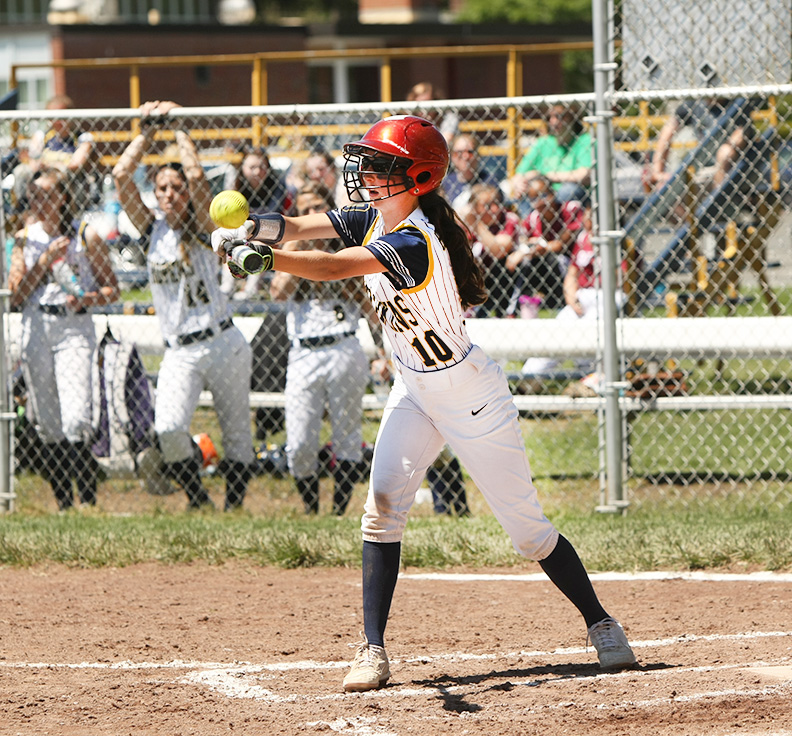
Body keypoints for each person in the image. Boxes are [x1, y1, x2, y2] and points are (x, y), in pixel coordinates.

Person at [211, 114, 637, 691]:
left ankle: (602, 623)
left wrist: (260, 260)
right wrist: (252, 231)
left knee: (528, 532)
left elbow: (335, 267)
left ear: (417, 178)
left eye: (381, 165)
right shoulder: (371, 215)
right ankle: (372, 649)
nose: (364, 172)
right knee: (382, 509)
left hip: (469, 395)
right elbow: (295, 225)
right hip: (413, 387)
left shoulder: (413, 239)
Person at [113, 100, 255, 512]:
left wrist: (177, 128)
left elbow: (195, 175)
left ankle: (235, 508)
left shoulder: (204, 227)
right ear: (154, 194)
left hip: (223, 340)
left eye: (175, 188)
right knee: (170, 427)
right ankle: (197, 497)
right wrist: (147, 132)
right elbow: (121, 176)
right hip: (180, 348)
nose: (171, 194)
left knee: (236, 432)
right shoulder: (151, 231)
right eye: (162, 189)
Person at [7, 166, 120, 510]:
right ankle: (64, 504)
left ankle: (87, 498)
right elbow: (14, 296)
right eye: (35, 195)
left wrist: (88, 298)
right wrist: (42, 263)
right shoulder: (24, 238)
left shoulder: (85, 234)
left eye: (49, 194)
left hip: (73, 326)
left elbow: (112, 288)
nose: (41, 201)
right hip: (37, 326)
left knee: (76, 418)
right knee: (49, 423)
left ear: (64, 197)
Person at [269, 182, 374, 515]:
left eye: (318, 209)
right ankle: (312, 510)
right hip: (303, 352)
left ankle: (338, 512)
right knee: (300, 442)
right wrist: (299, 243)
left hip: (344, 345)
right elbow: (278, 292)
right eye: (303, 211)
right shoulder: (291, 250)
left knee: (347, 436)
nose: (311, 216)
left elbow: (368, 303)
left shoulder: (346, 250)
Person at [521, 205, 625, 377]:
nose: (586, 222)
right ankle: (528, 378)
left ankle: (590, 376)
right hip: (583, 296)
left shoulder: (618, 241)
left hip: (610, 296)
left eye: (591, 220)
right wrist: (571, 298)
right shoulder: (583, 238)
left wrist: (602, 250)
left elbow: (621, 278)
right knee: (557, 331)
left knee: (587, 331)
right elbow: (572, 273)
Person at [221, 145, 293, 300]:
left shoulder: (277, 187)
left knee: (260, 241)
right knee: (230, 240)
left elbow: (277, 217)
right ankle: (227, 286)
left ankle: (251, 288)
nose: (258, 172)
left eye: (262, 167)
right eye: (252, 167)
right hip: (242, 232)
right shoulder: (237, 187)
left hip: (269, 234)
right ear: (243, 168)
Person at [506, 175, 584, 311]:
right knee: (525, 263)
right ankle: (519, 307)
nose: (540, 202)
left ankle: (564, 305)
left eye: (544, 195)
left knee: (556, 259)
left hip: (572, 260)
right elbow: (526, 241)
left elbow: (561, 244)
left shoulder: (571, 209)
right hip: (544, 262)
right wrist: (524, 250)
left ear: (553, 194)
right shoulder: (533, 218)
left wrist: (536, 245)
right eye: (534, 198)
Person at [13, 94, 96, 219]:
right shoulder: (43, 136)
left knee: (62, 174)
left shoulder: (82, 138)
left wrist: (48, 164)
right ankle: (26, 215)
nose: (57, 121)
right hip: (42, 177)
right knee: (21, 171)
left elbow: (75, 164)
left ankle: (71, 216)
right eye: (53, 116)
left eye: (61, 116)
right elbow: (33, 160)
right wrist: (39, 163)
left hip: (67, 180)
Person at [508, 103, 592, 210]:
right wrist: (519, 184)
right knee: (525, 190)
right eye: (549, 117)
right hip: (543, 193)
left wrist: (548, 176)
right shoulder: (543, 142)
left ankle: (567, 225)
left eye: (560, 116)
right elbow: (518, 175)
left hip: (567, 196)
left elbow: (584, 174)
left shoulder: (584, 140)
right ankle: (530, 224)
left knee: (568, 190)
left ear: (572, 118)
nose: (554, 121)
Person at [464, 183, 521, 317]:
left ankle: (507, 313)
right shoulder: (466, 221)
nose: (495, 209)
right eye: (487, 205)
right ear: (475, 208)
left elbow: (499, 250)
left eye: (497, 203)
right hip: (478, 277)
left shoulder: (508, 219)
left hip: (504, 277)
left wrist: (477, 224)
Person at [441, 133, 500, 212]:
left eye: (470, 152)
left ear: (477, 155)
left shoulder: (489, 180)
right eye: (459, 152)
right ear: (452, 155)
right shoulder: (445, 182)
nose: (465, 156)